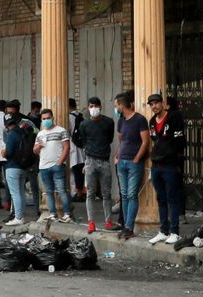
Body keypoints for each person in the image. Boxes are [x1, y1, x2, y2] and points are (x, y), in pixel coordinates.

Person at [147, 93, 186, 245]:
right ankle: (164, 230)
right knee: (161, 199)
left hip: (170, 166)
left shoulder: (174, 117)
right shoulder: (151, 122)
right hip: (156, 166)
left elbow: (179, 141)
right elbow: (155, 142)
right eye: (151, 104)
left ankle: (175, 232)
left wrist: (175, 159)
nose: (154, 106)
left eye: (156, 103)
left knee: (172, 199)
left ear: (162, 103)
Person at [78, 96, 117, 232]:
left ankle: (108, 221)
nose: (93, 109)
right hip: (90, 161)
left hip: (104, 161)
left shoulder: (108, 122)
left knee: (106, 194)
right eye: (91, 106)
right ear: (88, 108)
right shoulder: (84, 124)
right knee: (90, 193)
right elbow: (83, 142)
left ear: (100, 107)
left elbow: (110, 139)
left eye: (95, 106)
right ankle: (91, 222)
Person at [115, 92, 150, 239]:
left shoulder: (139, 119)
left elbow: (145, 141)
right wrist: (118, 156)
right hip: (122, 161)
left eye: (117, 106)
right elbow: (121, 140)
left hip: (133, 163)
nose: (116, 108)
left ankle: (129, 227)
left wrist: (137, 159)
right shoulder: (121, 121)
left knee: (131, 194)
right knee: (124, 195)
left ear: (122, 106)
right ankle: (125, 226)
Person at [35, 108, 74, 222]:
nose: (46, 120)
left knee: (61, 190)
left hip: (57, 166)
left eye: (48, 118)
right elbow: (35, 151)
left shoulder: (61, 130)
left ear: (53, 118)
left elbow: (67, 147)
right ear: (41, 120)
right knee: (48, 192)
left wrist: (59, 162)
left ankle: (67, 214)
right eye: (44, 119)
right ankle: (53, 214)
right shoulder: (40, 134)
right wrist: (38, 146)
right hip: (43, 167)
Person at [2, 114, 28, 225]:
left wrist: (4, 153)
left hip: (12, 166)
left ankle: (18, 217)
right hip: (23, 166)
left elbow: (9, 152)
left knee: (15, 193)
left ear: (6, 125)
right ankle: (21, 216)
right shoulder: (23, 132)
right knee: (21, 192)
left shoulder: (11, 134)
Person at [68, 98, 87, 203]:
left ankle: (77, 193)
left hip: (73, 146)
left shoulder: (69, 117)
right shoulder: (80, 116)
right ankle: (81, 192)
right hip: (81, 147)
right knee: (80, 171)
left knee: (75, 172)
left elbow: (68, 131)